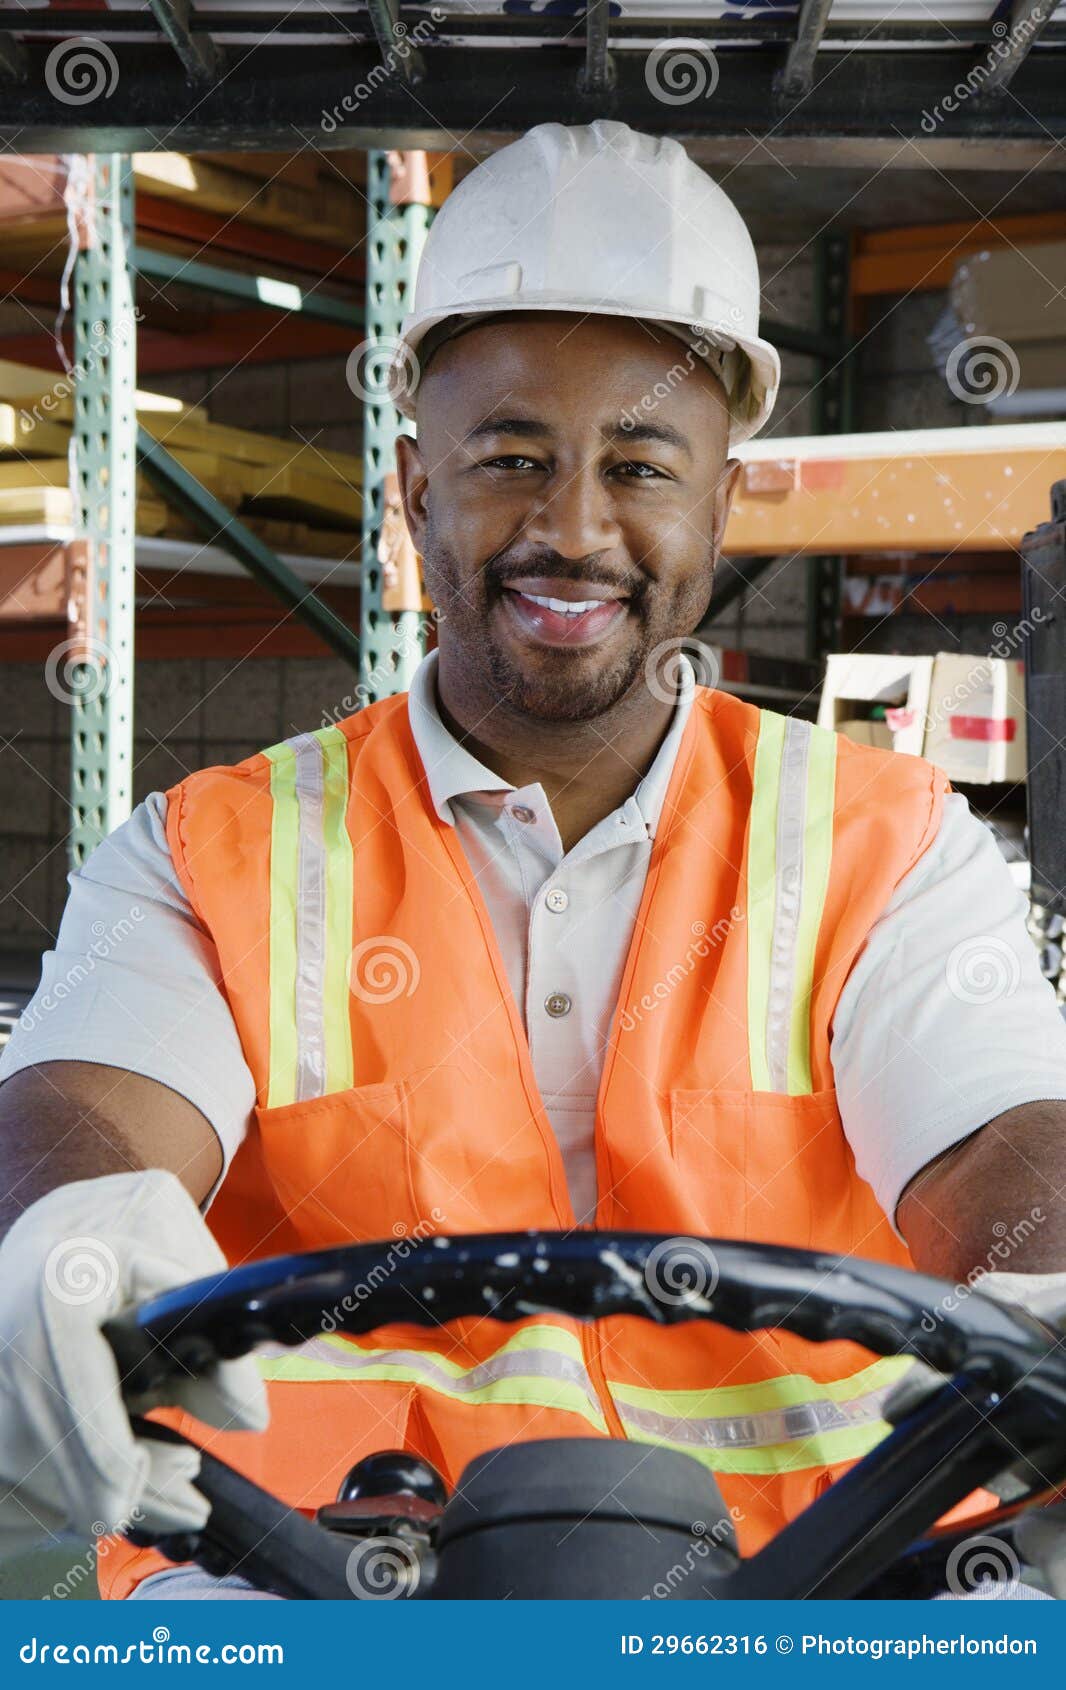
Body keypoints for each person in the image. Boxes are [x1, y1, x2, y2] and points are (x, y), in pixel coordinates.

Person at [1, 120, 1064, 1603]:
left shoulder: (885, 843)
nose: (572, 529)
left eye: (639, 465)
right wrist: (65, 1231)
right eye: (509, 459)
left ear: (723, 508)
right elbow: (81, 1108)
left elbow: (997, 1140)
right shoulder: (207, 852)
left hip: (807, 1608)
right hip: (313, 1603)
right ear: (413, 488)